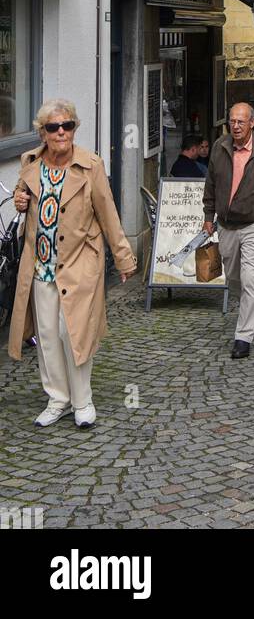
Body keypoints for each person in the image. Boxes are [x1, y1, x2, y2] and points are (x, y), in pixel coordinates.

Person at [8, 99, 136, 428]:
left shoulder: (91, 166)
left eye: (67, 126)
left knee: (74, 333)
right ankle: (57, 398)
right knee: (48, 335)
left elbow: (108, 215)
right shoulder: (30, 162)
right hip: (40, 266)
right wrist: (20, 201)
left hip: (80, 262)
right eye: (54, 127)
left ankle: (83, 401)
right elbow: (22, 196)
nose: (61, 132)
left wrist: (123, 257)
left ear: (74, 128)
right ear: (43, 133)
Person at [203, 103, 254, 360]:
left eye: (241, 122)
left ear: (252, 123)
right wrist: (208, 215)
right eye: (232, 122)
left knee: (250, 277)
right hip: (227, 224)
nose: (235, 126)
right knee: (233, 277)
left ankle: (243, 336)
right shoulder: (220, 146)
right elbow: (211, 182)